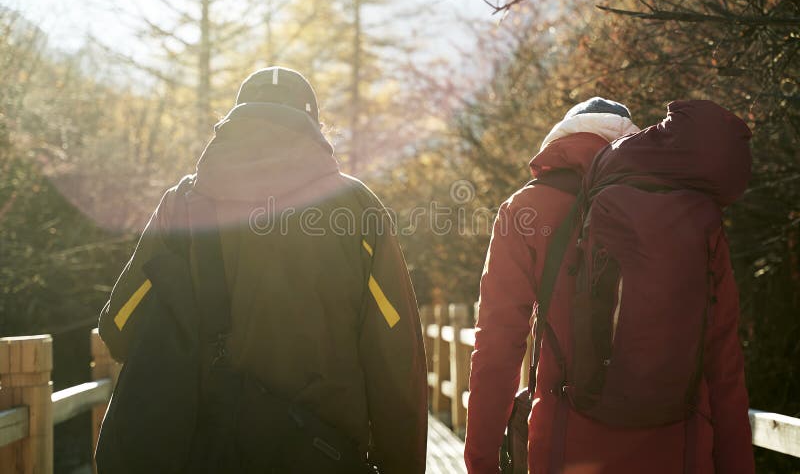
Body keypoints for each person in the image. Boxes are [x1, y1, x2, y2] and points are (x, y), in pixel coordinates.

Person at [98, 67, 428, 473]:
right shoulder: (358, 209)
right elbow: (397, 359)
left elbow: (118, 327)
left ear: (234, 121)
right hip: (325, 455)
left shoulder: (181, 204)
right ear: (314, 127)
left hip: (205, 452)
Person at [465, 98, 755, 473]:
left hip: (566, 452)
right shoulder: (691, 210)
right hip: (678, 452)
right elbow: (724, 362)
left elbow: (496, 345)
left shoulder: (526, 209)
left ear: (560, 138)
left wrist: (481, 461)